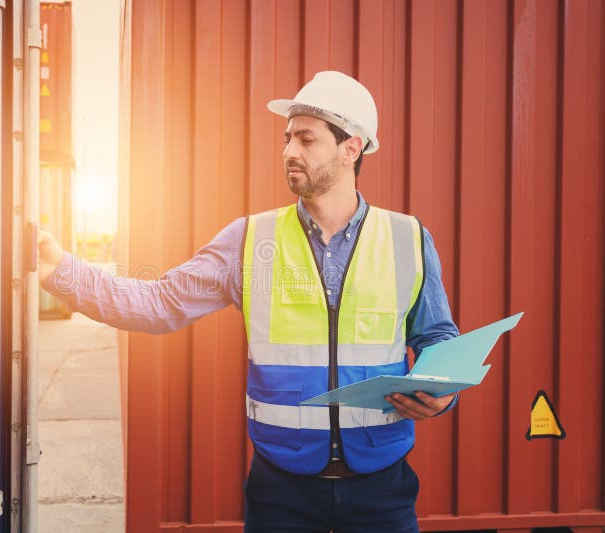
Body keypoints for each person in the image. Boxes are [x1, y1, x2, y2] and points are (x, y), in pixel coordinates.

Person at [38, 71, 459, 532]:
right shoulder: (250, 239)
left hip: (383, 487)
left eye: (306, 139)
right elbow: (158, 302)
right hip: (282, 492)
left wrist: (444, 393)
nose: (289, 152)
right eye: (287, 139)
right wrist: (58, 269)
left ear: (351, 148)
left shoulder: (408, 238)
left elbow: (437, 336)